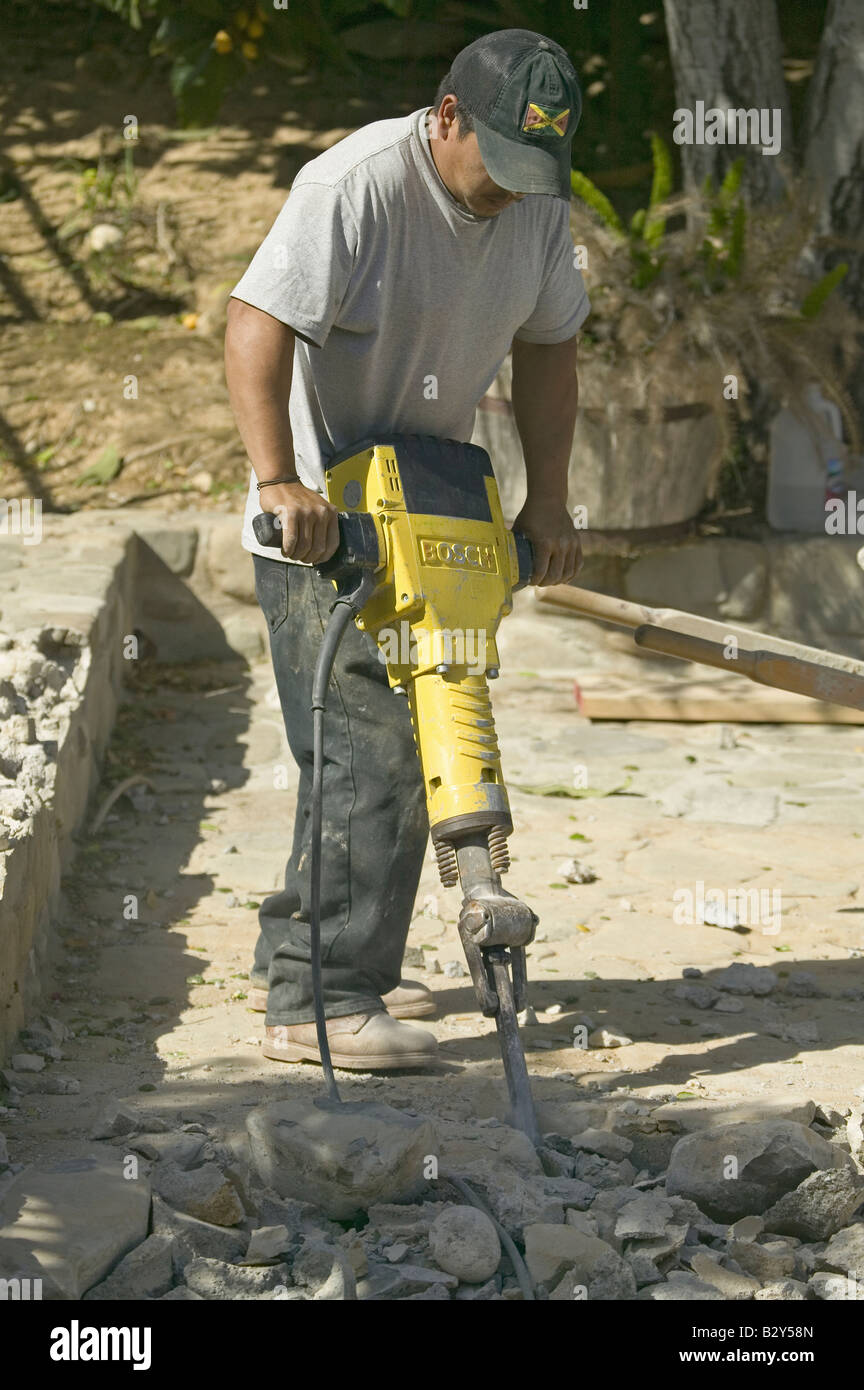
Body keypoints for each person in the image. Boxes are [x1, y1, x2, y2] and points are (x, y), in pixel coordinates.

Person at [224, 28, 589, 1071]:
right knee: (367, 746)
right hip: (324, 503)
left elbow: (550, 343)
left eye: (536, 174)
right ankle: (322, 1000)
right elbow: (255, 322)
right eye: (501, 167)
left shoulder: (539, 204)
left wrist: (549, 500)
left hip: (433, 489)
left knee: (407, 732)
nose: (515, 195)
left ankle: (301, 953)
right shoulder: (354, 185)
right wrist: (280, 482)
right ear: (446, 117)